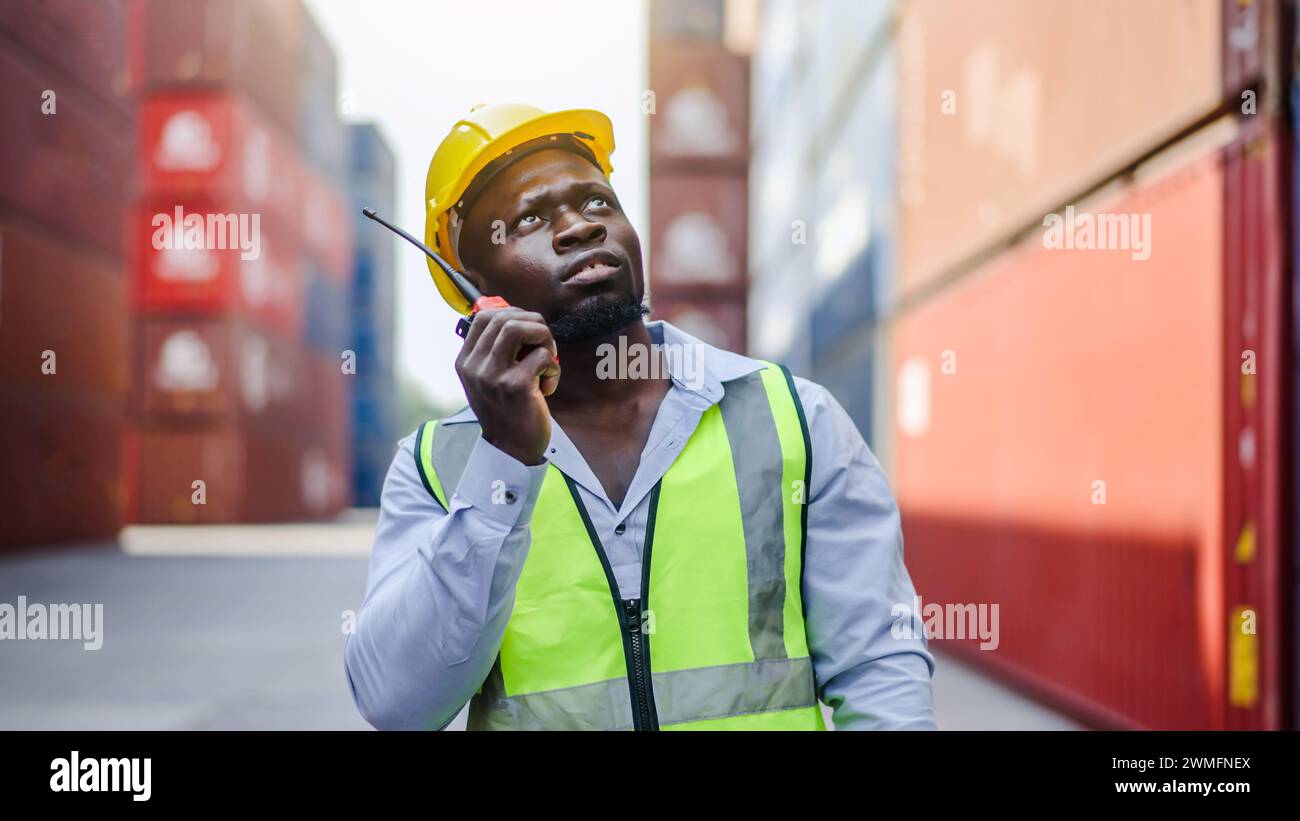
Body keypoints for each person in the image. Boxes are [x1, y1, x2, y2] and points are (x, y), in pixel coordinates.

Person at [343, 103, 936, 730]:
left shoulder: (797, 418)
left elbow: (880, 668)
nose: (577, 227)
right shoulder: (436, 466)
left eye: (597, 203)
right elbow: (397, 706)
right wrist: (504, 460)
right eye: (530, 219)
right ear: (476, 290)